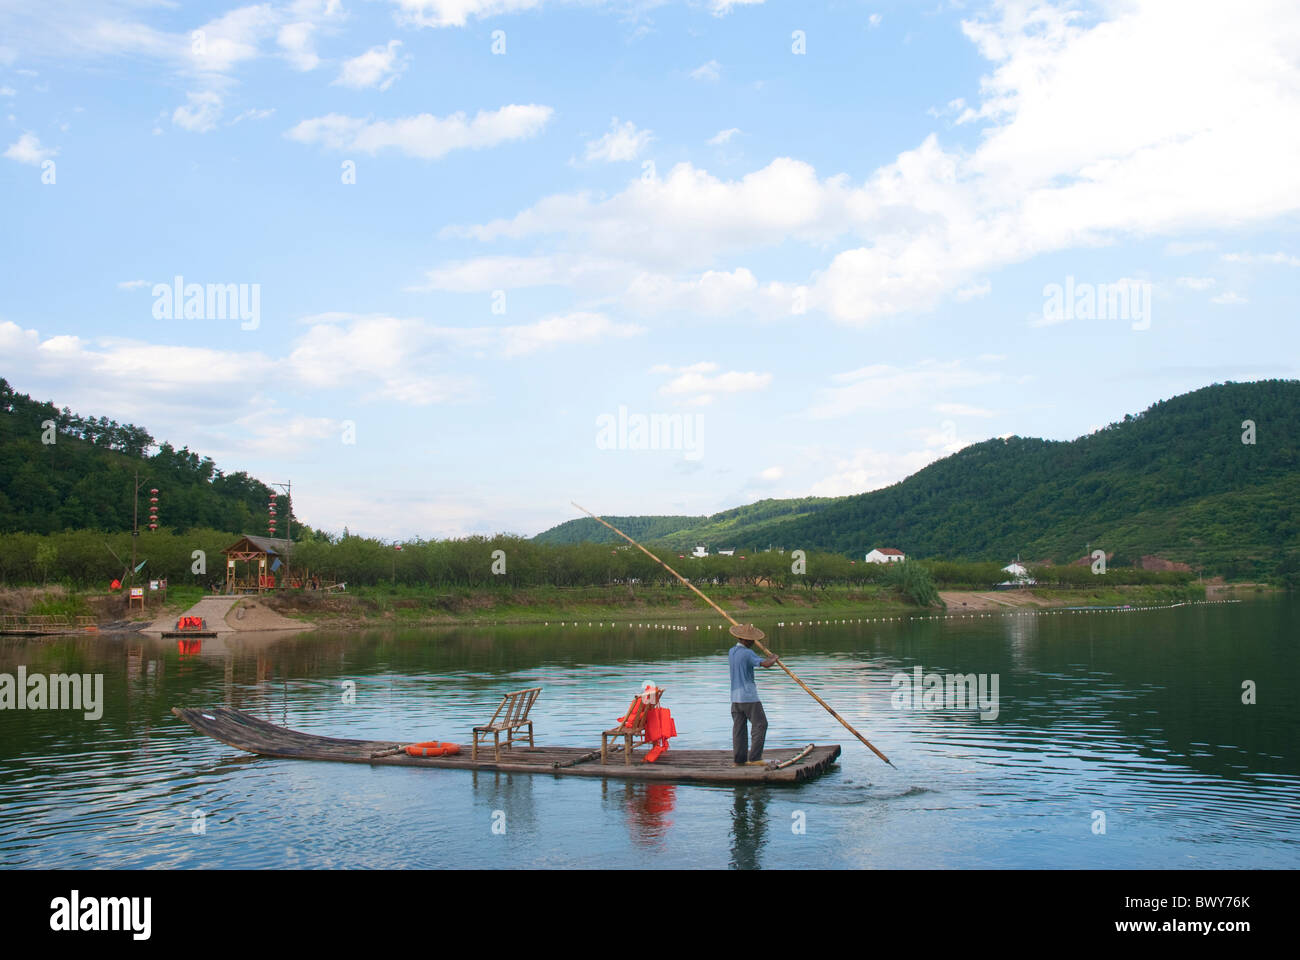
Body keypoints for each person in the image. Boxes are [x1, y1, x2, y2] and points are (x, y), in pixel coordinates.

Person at [729, 630, 778, 766]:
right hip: (748, 697)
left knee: (739, 728)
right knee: (761, 724)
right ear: (744, 640)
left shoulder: (731, 651)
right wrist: (773, 658)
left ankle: (739, 760)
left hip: (735, 698)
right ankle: (755, 758)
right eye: (751, 640)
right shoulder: (747, 653)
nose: (753, 642)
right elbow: (765, 664)